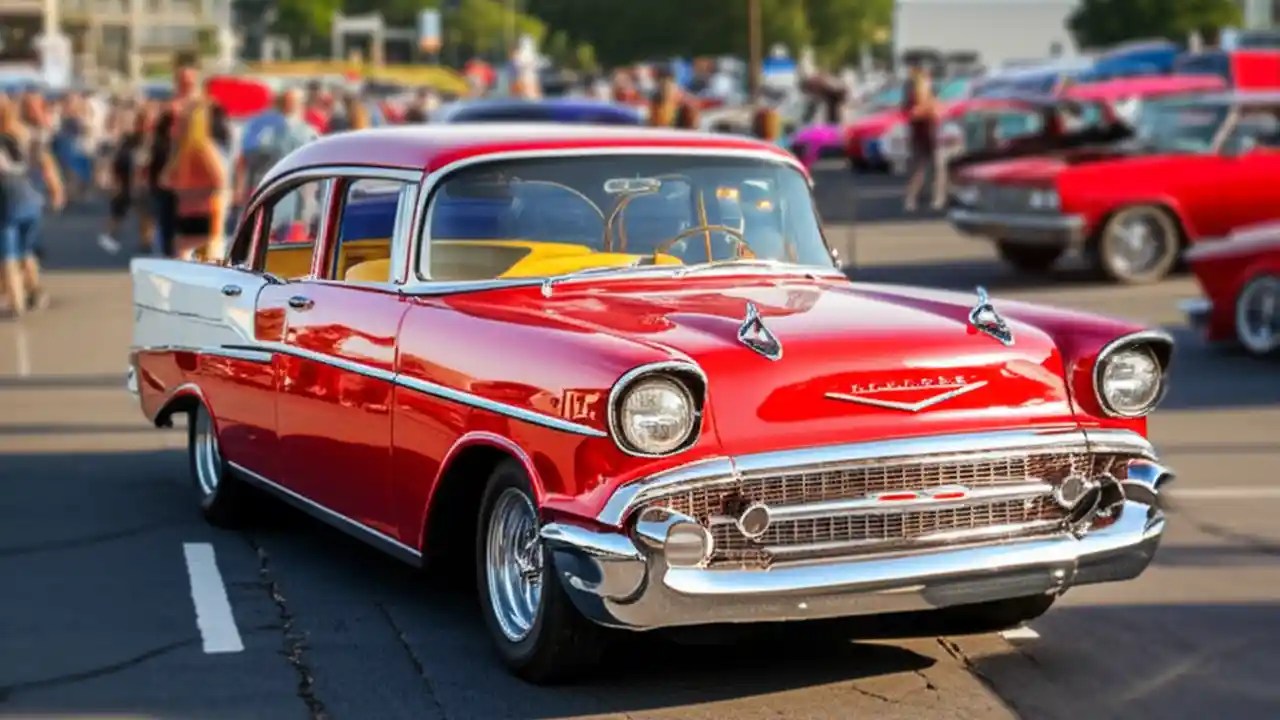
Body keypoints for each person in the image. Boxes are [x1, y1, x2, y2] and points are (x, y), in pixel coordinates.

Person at [0, 96, 64, 318]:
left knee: (8, 253)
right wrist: (56, 189)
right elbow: (45, 161)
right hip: (30, 197)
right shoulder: (25, 134)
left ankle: (16, 302)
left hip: (7, 199)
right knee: (26, 251)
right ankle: (35, 292)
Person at [159, 101, 227, 261]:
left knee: (192, 254)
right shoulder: (190, 148)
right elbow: (166, 180)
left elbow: (218, 180)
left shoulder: (199, 148)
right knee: (191, 255)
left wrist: (188, 190)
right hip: (192, 209)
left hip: (197, 209)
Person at [101, 105, 155, 254]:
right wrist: (114, 180)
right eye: (142, 122)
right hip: (127, 181)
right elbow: (118, 161)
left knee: (146, 213)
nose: (145, 126)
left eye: (148, 122)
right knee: (118, 211)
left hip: (147, 183)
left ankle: (146, 243)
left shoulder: (156, 140)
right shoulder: (129, 140)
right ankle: (108, 236)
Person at [901, 58, 945, 212]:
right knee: (926, 166)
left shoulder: (921, 87)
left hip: (928, 129)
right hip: (925, 129)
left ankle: (931, 198)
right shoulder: (916, 87)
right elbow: (911, 110)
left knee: (933, 166)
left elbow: (935, 107)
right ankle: (920, 198)